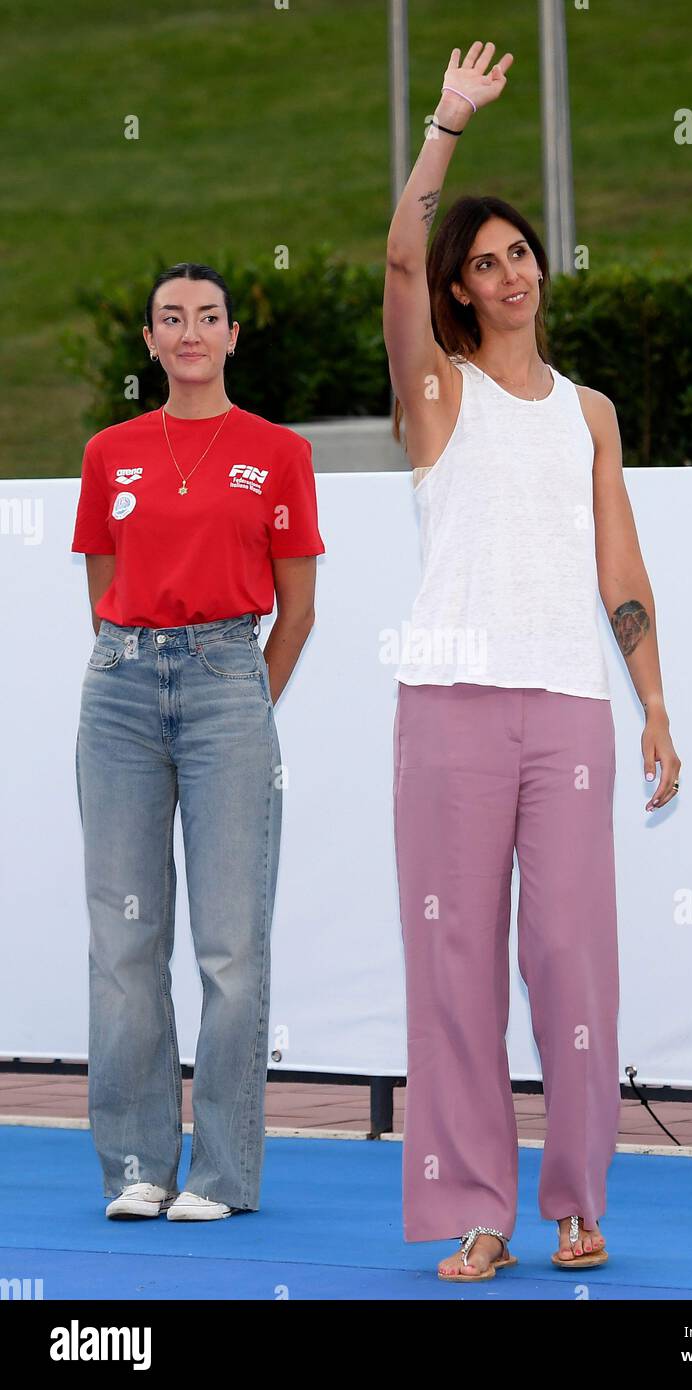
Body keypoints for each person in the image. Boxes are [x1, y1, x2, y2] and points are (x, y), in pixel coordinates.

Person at [384, 41, 681, 1280]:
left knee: (570, 955)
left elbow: (620, 568)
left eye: (517, 254)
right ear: (456, 291)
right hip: (448, 703)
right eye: (482, 263)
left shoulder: (592, 412)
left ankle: (574, 1198)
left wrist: (654, 702)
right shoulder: (436, 393)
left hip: (569, 707)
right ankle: (477, 1210)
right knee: (452, 962)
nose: (506, 273)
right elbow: (397, 257)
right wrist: (448, 121)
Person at [71, 262, 324, 1220]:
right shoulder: (111, 452)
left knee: (230, 947)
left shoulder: (279, 452)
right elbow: (103, 588)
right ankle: (136, 1166)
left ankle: (220, 1174)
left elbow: (297, 611)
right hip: (121, 693)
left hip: (229, 685)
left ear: (230, 336)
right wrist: (139, 665)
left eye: (207, 317)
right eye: (170, 319)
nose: (189, 333)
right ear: (148, 340)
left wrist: (242, 701)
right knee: (124, 943)